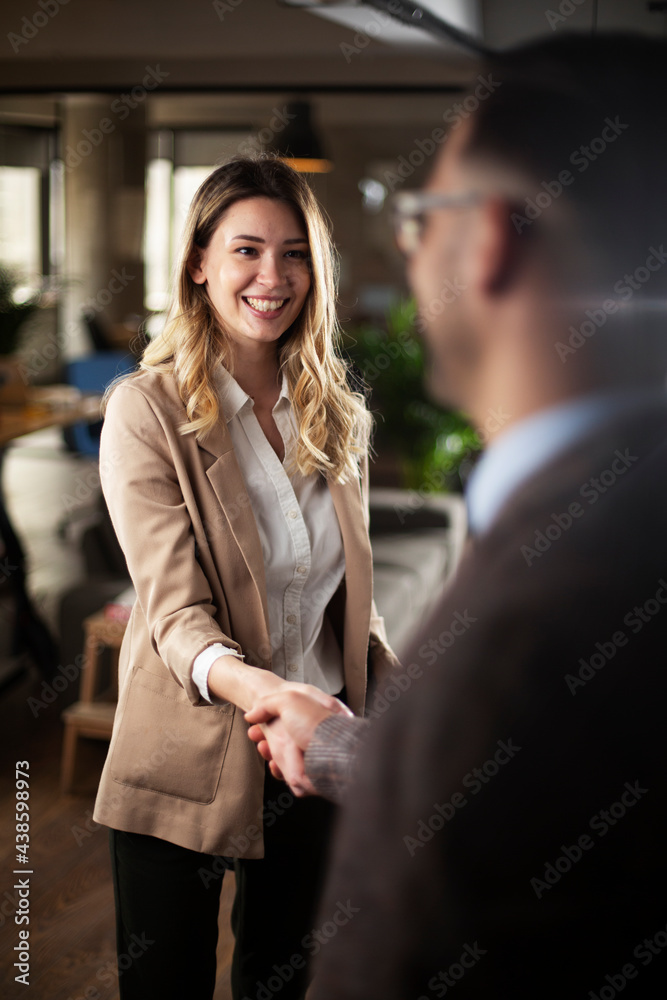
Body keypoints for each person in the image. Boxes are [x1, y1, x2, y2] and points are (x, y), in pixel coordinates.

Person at [243, 33, 667, 998]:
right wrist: (349, 748)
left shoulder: (535, 626)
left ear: (490, 240)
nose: (405, 247)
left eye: (417, 219)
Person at [91, 155, 399, 1000]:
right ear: (199, 263)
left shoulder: (337, 412)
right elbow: (176, 615)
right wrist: (277, 697)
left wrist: (403, 699)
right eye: (247, 250)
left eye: (295, 253)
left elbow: (348, 604)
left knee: (286, 976)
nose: (273, 277)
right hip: (186, 756)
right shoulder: (145, 410)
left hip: (314, 761)